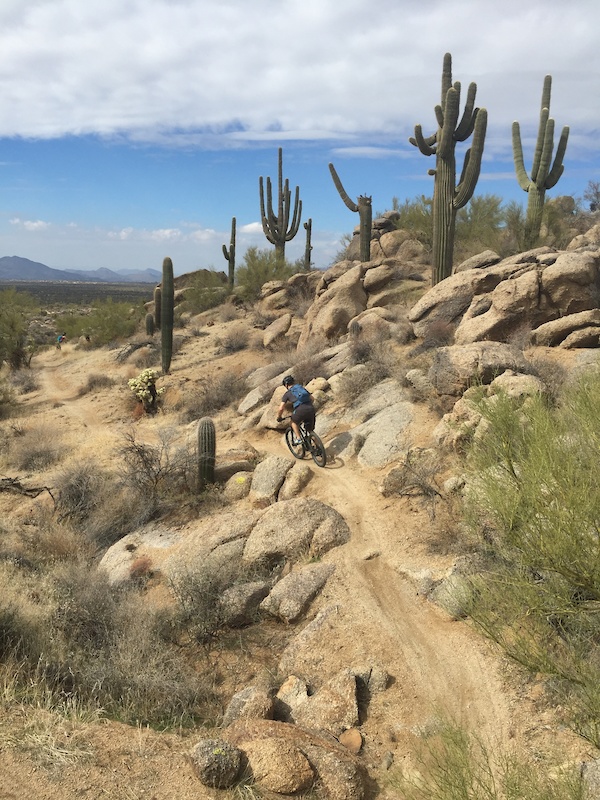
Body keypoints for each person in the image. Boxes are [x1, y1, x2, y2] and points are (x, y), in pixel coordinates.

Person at [276, 375, 315, 443]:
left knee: (293, 422)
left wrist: (279, 417)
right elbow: (312, 398)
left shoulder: (287, 394)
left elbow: (281, 408)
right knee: (310, 431)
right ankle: (319, 448)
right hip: (310, 408)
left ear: (286, 385)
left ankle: (298, 438)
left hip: (300, 409)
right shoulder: (301, 388)